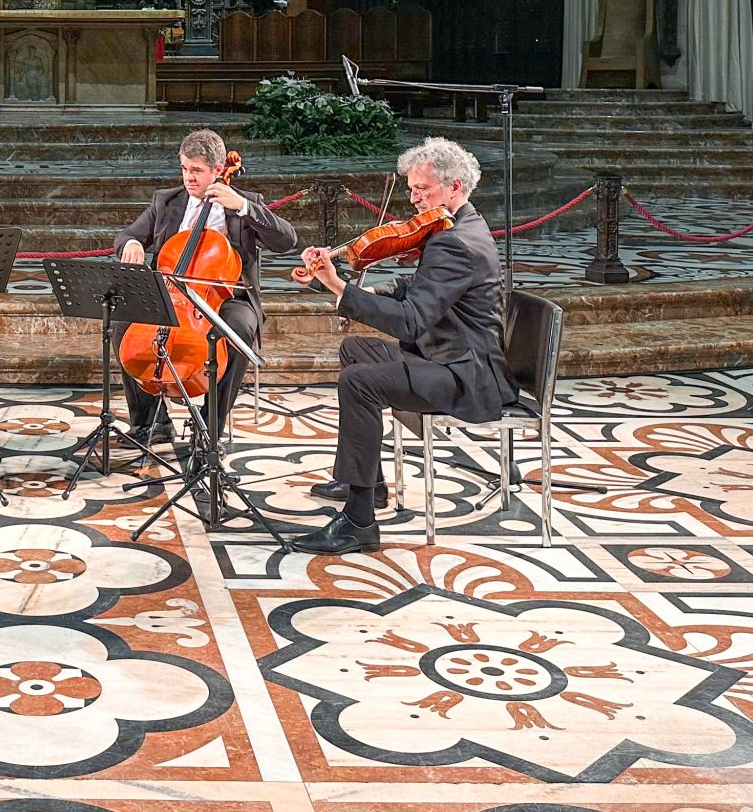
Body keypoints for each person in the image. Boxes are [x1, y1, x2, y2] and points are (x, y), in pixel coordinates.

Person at [290, 137, 513, 555]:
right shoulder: (463, 225)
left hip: (466, 374)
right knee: (357, 350)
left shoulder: (454, 242)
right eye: (411, 188)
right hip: (450, 356)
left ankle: (359, 522)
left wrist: (340, 289)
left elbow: (412, 320)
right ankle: (367, 481)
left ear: (454, 187)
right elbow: (415, 287)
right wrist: (365, 289)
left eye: (422, 189)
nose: (413, 199)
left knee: (359, 382)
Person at [115, 128, 297, 446]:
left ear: (217, 170)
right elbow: (125, 234)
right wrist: (131, 243)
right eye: (184, 168)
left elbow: (287, 239)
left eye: (197, 170)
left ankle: (210, 428)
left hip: (228, 296)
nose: (189, 177)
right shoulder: (166, 201)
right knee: (122, 325)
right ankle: (151, 421)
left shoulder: (245, 203)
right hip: (174, 294)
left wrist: (243, 206)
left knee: (238, 330)